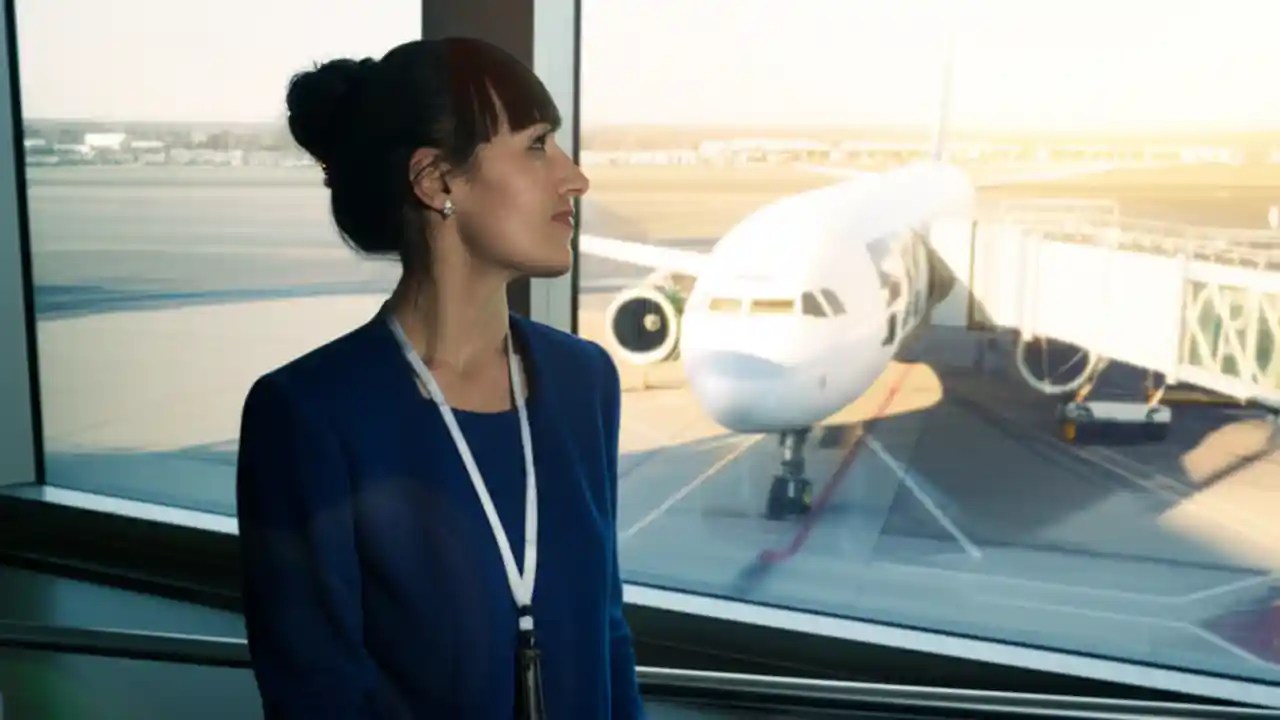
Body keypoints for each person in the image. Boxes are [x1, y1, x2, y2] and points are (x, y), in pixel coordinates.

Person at [234, 36, 644, 719]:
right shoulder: (309, 415)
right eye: (538, 145)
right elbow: (316, 693)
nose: (575, 178)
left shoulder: (584, 382)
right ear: (436, 182)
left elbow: (608, 637)